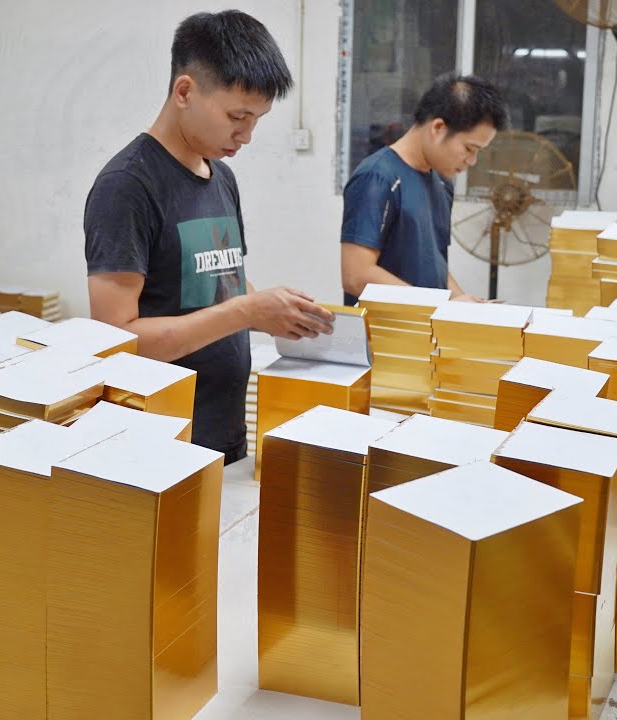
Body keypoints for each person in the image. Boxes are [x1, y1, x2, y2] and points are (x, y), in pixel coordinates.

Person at [84, 10, 333, 465]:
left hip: (223, 433)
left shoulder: (221, 177)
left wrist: (276, 311)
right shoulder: (127, 185)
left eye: (256, 119)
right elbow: (116, 339)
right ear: (185, 91)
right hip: (158, 449)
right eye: (237, 116)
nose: (247, 135)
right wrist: (245, 311)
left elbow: (223, 282)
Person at [339, 74, 508, 305]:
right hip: (383, 336)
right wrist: (442, 304)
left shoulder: (441, 183)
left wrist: (461, 301)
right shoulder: (377, 178)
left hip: (424, 333)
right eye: (470, 148)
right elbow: (356, 276)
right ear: (438, 127)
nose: (472, 161)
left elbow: (434, 263)